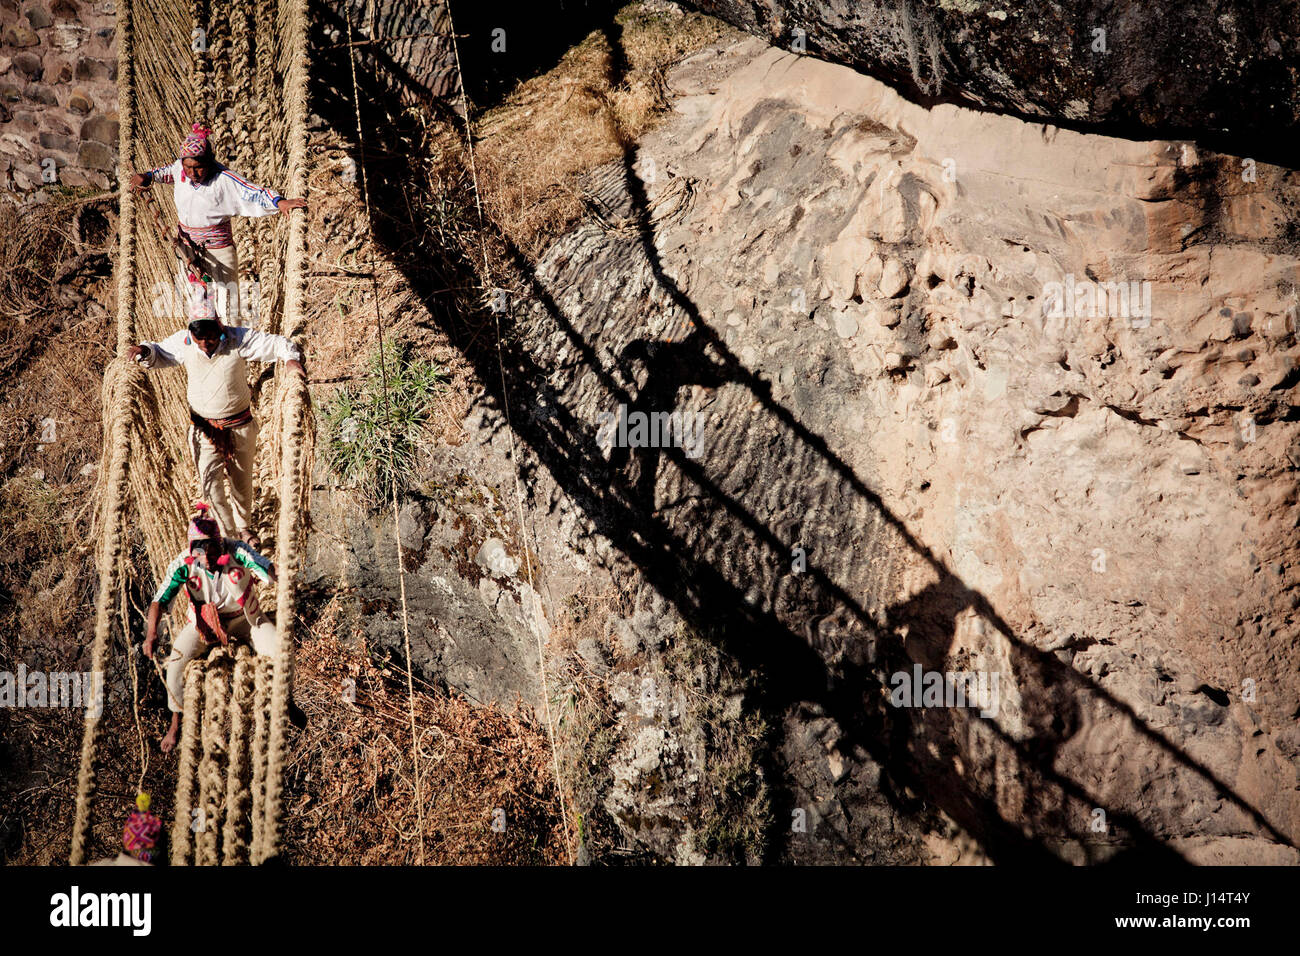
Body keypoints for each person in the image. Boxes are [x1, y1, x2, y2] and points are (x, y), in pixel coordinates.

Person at [128, 295, 305, 547]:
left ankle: (244, 528)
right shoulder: (185, 342)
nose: (205, 345)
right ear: (191, 334)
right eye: (200, 340)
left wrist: (290, 360)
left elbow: (276, 344)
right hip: (204, 431)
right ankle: (230, 536)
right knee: (211, 487)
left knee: (241, 482)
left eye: (210, 339)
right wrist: (143, 350)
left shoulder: (237, 339)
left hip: (240, 426)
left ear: (220, 328)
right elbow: (159, 352)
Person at [142, 506, 303, 754]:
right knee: (175, 665)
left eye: (211, 551)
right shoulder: (183, 563)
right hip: (203, 624)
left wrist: (279, 572)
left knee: (281, 651)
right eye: (199, 552)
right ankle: (176, 723)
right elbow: (159, 600)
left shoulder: (237, 550)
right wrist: (151, 633)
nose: (206, 558)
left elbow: (262, 564)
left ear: (220, 544)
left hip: (245, 619)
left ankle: (287, 699)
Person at [129, 122, 307, 323]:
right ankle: (202, 346)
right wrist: (148, 176)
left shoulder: (223, 179)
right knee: (197, 300)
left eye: (199, 168)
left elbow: (252, 192)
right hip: (187, 248)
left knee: (227, 303)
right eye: (189, 167)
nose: (193, 173)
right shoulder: (180, 169)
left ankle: (234, 348)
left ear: (209, 163)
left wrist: (279, 202)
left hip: (218, 251)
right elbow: (166, 171)